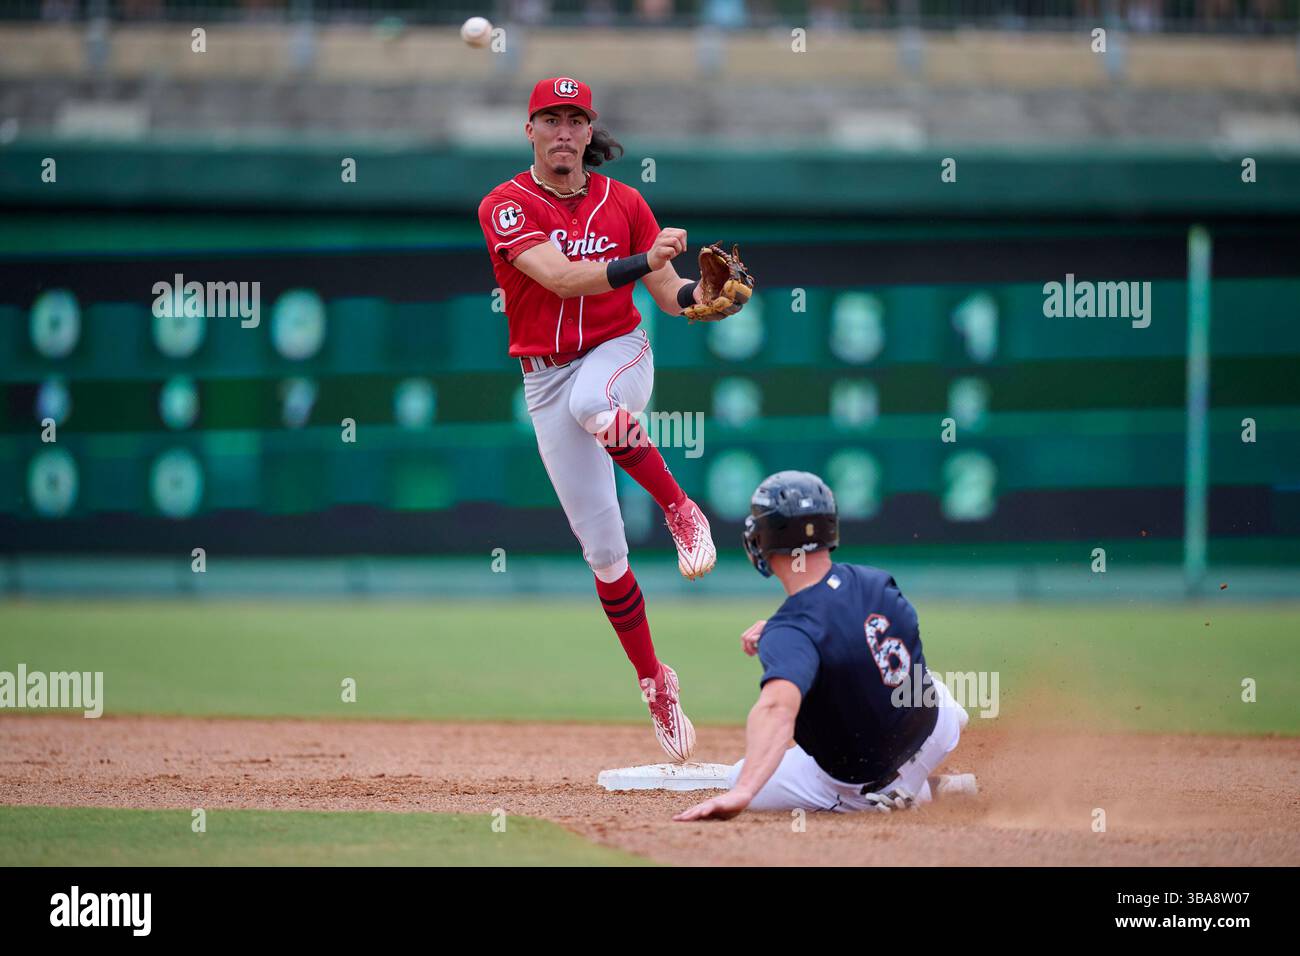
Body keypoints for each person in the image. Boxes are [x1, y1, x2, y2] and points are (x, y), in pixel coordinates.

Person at [476, 77, 720, 761]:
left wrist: (700, 295)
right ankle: (657, 682)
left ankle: (681, 510)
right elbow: (559, 277)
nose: (562, 131)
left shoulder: (627, 202)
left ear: (590, 131)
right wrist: (649, 258)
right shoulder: (504, 206)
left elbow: (668, 297)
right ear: (530, 131)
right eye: (549, 119)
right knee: (605, 555)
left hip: (618, 351)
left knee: (595, 403)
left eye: (574, 119)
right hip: (545, 377)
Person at [674, 470, 968, 820]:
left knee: (739, 775)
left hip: (872, 779)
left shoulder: (792, 631)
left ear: (768, 537)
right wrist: (790, 634)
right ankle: (936, 784)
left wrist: (742, 792)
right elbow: (835, 623)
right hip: (941, 726)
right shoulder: (875, 581)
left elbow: (777, 711)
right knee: (885, 673)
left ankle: (914, 793)